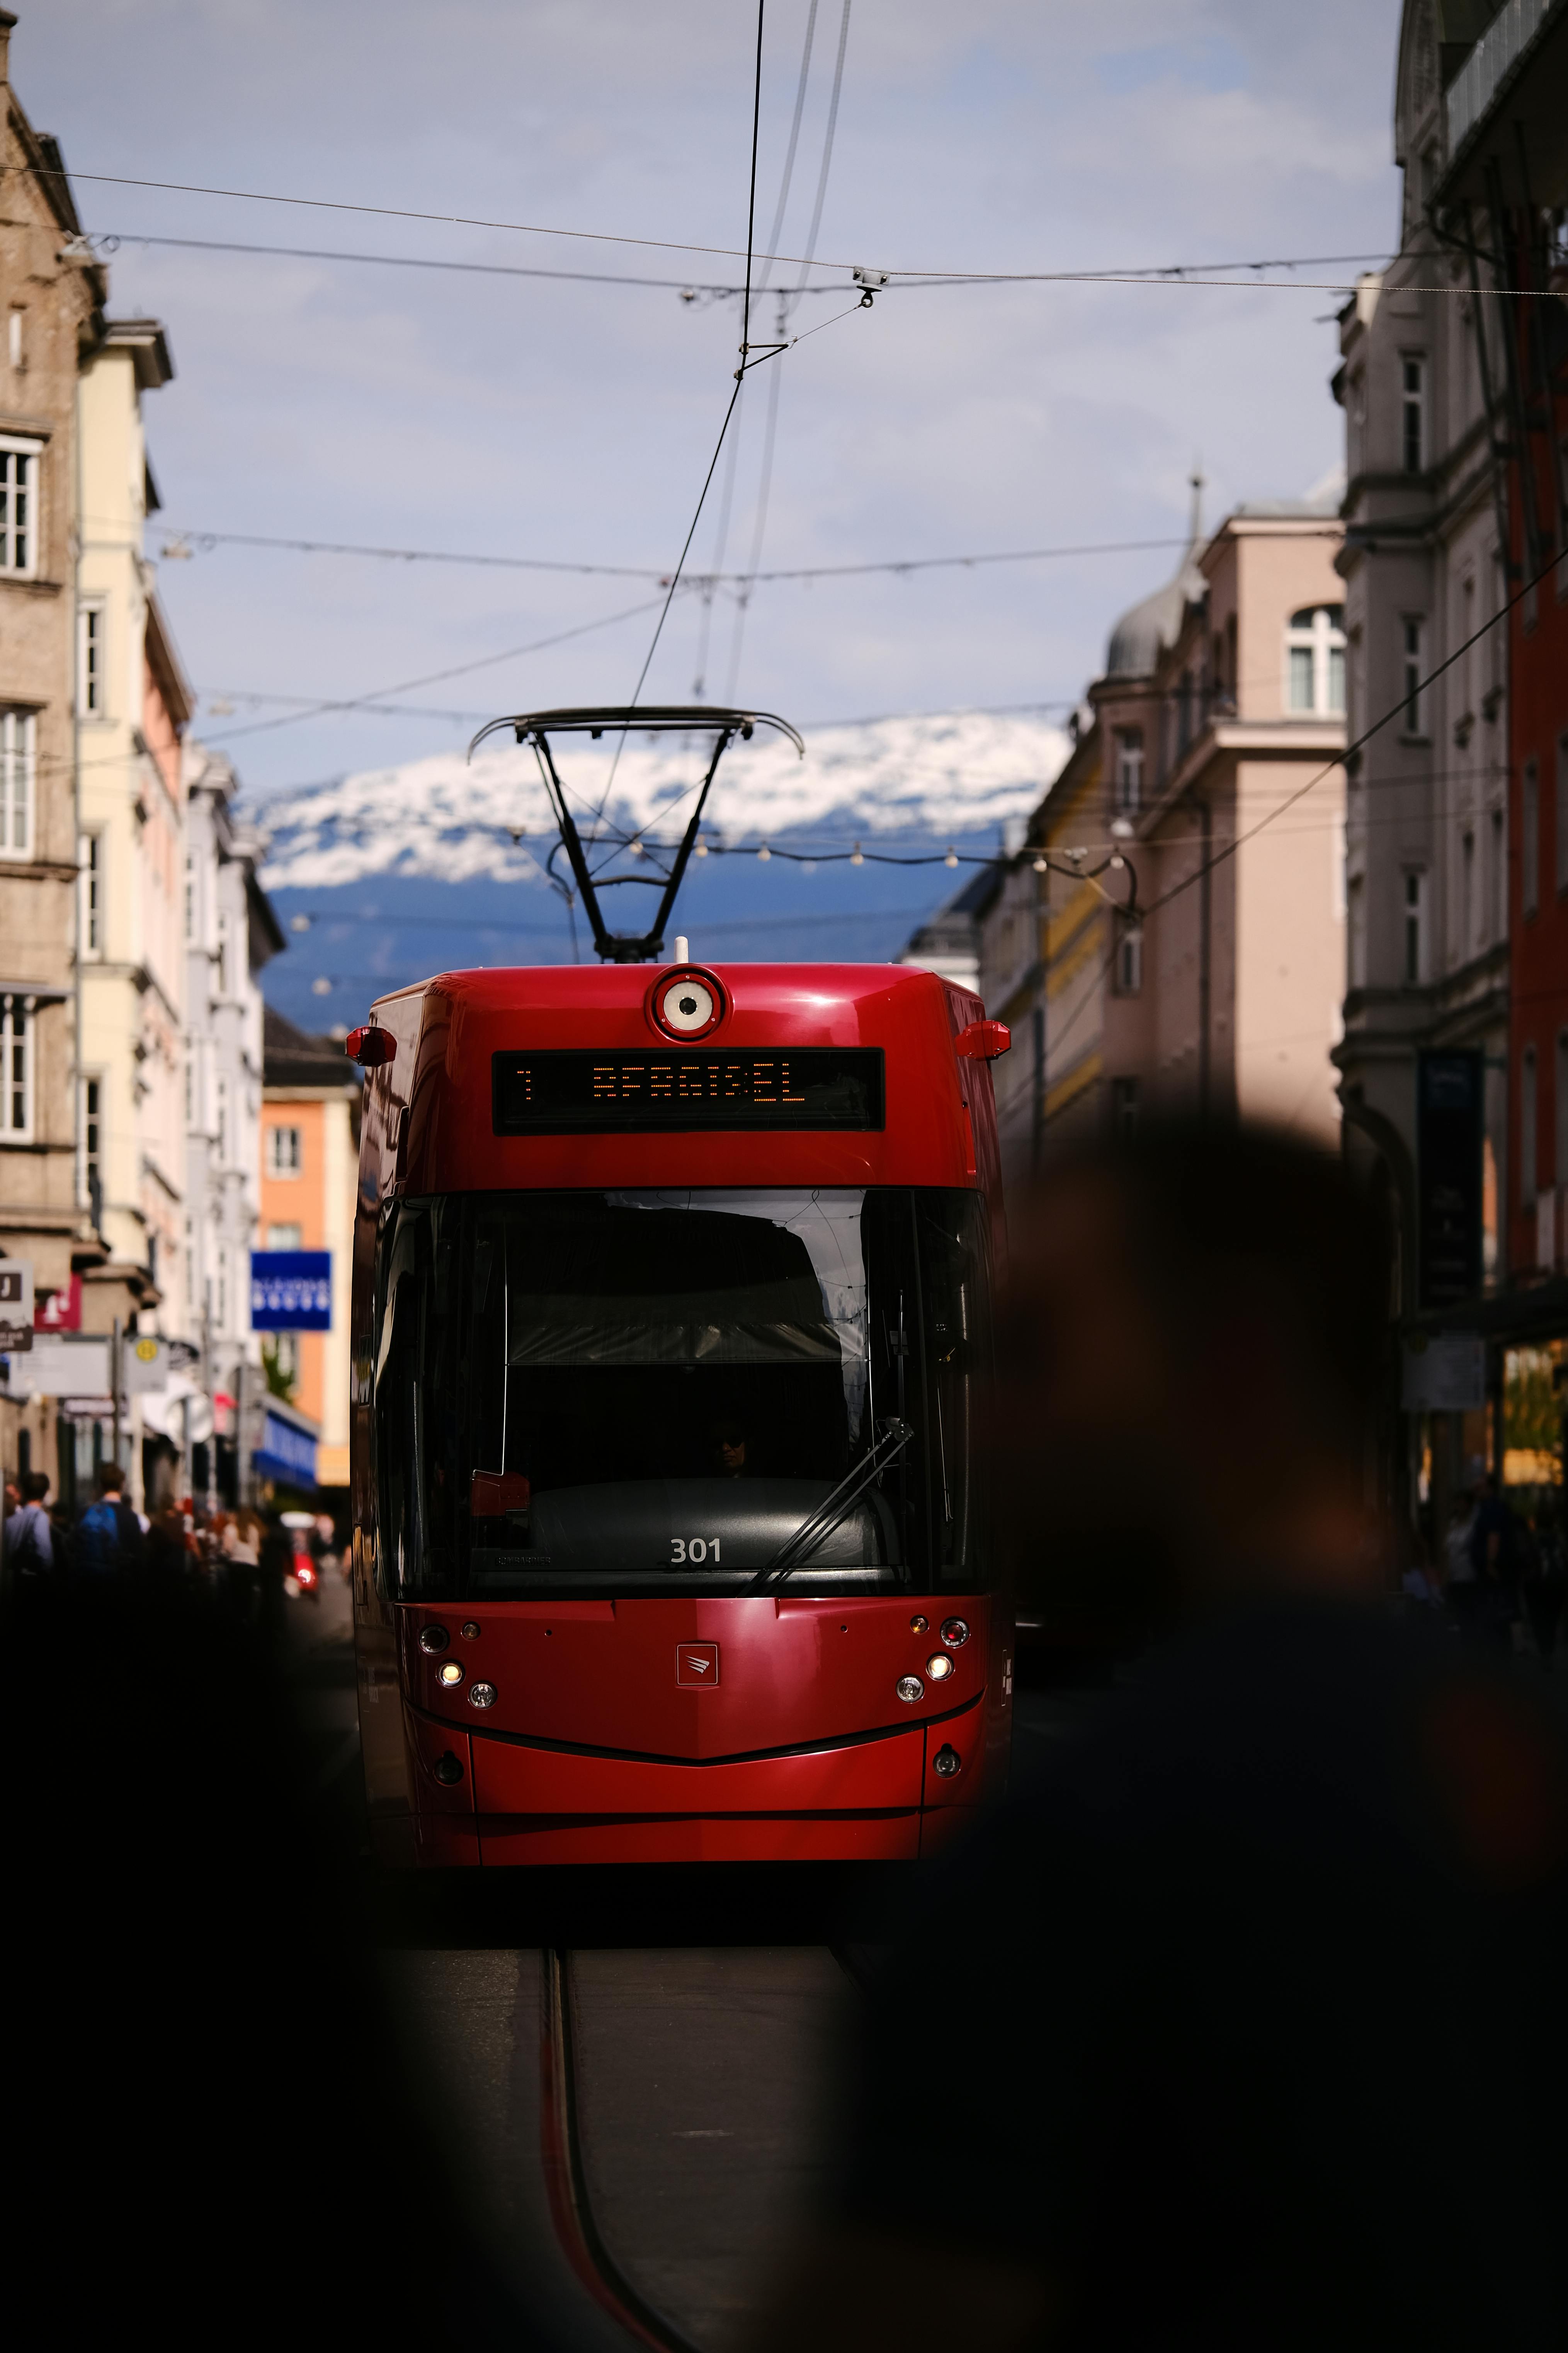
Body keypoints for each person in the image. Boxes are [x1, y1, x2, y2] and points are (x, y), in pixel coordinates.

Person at [750, 1123, 1568, 2353]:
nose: (972, 1414)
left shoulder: (1074, 1853)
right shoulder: (1525, 1752)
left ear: (1229, 1370)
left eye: (1030, 1354)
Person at [75, 1464, 145, 1577]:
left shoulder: (85, 1513)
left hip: (89, 1578)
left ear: (101, 1485)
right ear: (122, 1485)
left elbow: (75, 1546)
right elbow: (137, 1553)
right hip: (117, 1580)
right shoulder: (130, 1517)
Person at [3, 1470, 55, 1581]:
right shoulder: (40, 1517)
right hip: (33, 1581)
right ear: (45, 1493)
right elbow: (44, 1553)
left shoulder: (10, 1521)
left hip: (14, 1580)